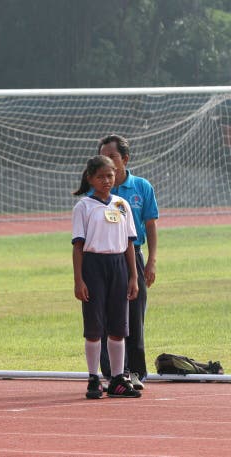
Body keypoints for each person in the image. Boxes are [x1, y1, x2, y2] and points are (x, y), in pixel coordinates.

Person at [72, 156, 141, 400]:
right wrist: (79, 280)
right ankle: (93, 378)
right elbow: (78, 245)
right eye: (100, 176)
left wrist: (133, 276)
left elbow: (129, 244)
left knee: (118, 326)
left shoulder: (122, 204)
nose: (106, 181)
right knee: (94, 325)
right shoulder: (84, 207)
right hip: (94, 265)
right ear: (90, 178)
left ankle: (118, 377)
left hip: (118, 265)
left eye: (110, 176)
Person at [97, 135, 158, 390]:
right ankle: (112, 372)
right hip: (104, 256)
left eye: (112, 156)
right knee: (105, 316)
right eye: (103, 156)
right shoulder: (97, 190)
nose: (108, 161)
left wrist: (151, 262)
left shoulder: (142, 187)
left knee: (134, 316)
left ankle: (135, 372)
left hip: (134, 253)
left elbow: (151, 225)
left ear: (125, 159)